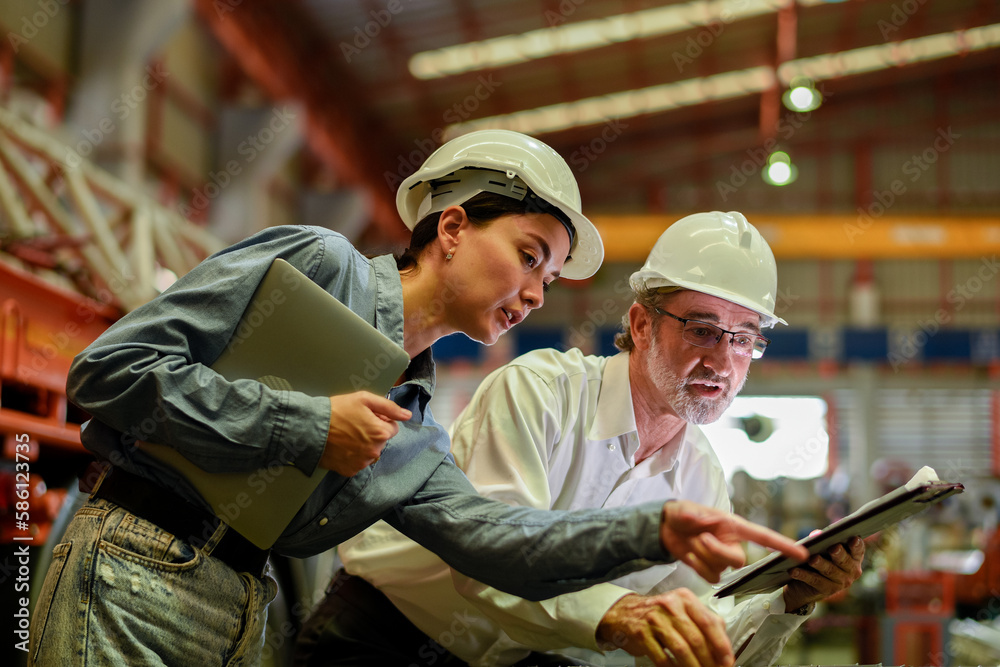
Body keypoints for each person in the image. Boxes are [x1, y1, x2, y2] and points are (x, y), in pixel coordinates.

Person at [29, 133, 807, 667]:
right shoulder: (317, 263)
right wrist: (306, 423)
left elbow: (500, 540)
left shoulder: (409, 430)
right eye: (529, 256)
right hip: (132, 571)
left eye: (552, 276)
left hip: (243, 602)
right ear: (455, 225)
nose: (537, 293)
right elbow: (109, 370)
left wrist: (656, 529)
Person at [294, 211, 866, 667]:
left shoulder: (700, 478)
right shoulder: (539, 393)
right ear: (642, 325)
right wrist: (615, 613)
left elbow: (697, 628)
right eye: (702, 328)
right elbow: (488, 559)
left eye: (744, 339)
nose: (723, 358)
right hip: (380, 638)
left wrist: (788, 600)